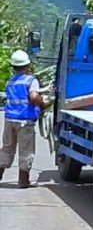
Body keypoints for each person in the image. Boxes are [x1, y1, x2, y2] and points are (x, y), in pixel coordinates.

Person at [1, 50, 48, 188]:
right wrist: (43, 103)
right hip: (24, 122)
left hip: (10, 120)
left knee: (7, 149)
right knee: (26, 151)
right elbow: (33, 97)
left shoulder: (10, 82)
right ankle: (23, 181)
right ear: (27, 65)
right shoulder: (31, 80)